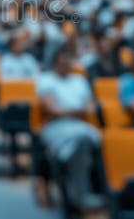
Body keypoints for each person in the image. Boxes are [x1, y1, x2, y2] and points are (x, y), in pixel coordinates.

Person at [36, 49, 103, 212]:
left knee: (94, 139)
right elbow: (53, 110)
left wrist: (73, 111)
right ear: (55, 62)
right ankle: (79, 194)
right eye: (62, 61)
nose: (65, 64)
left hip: (80, 124)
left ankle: (91, 191)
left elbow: (90, 108)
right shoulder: (46, 79)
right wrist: (77, 111)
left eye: (68, 60)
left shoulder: (80, 80)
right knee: (80, 139)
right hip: (56, 126)